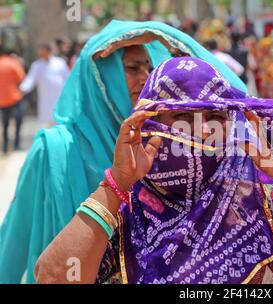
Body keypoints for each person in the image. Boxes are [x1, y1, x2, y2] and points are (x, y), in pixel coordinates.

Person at [34, 57, 273, 284]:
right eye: (182, 120)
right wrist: (117, 183)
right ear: (151, 127)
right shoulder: (123, 215)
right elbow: (53, 279)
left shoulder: (257, 202)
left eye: (214, 119)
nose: (201, 133)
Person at [0, 20, 247, 284]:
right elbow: (15, 243)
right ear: (101, 77)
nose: (145, 77)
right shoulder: (55, 149)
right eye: (131, 68)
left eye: (149, 67)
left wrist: (169, 38)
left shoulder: (164, 145)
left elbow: (231, 92)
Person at [19, 43, 70, 125]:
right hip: (45, 97)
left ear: (49, 51)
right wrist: (23, 88)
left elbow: (67, 77)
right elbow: (31, 79)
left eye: (43, 51)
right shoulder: (37, 65)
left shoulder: (60, 62)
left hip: (59, 96)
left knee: (60, 120)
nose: (41, 54)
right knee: (46, 123)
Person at [0, 48, 26, 154]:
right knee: (18, 121)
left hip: (1, 99)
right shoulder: (14, 64)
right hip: (14, 98)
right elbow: (22, 78)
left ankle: (5, 147)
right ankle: (16, 145)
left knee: (5, 124)